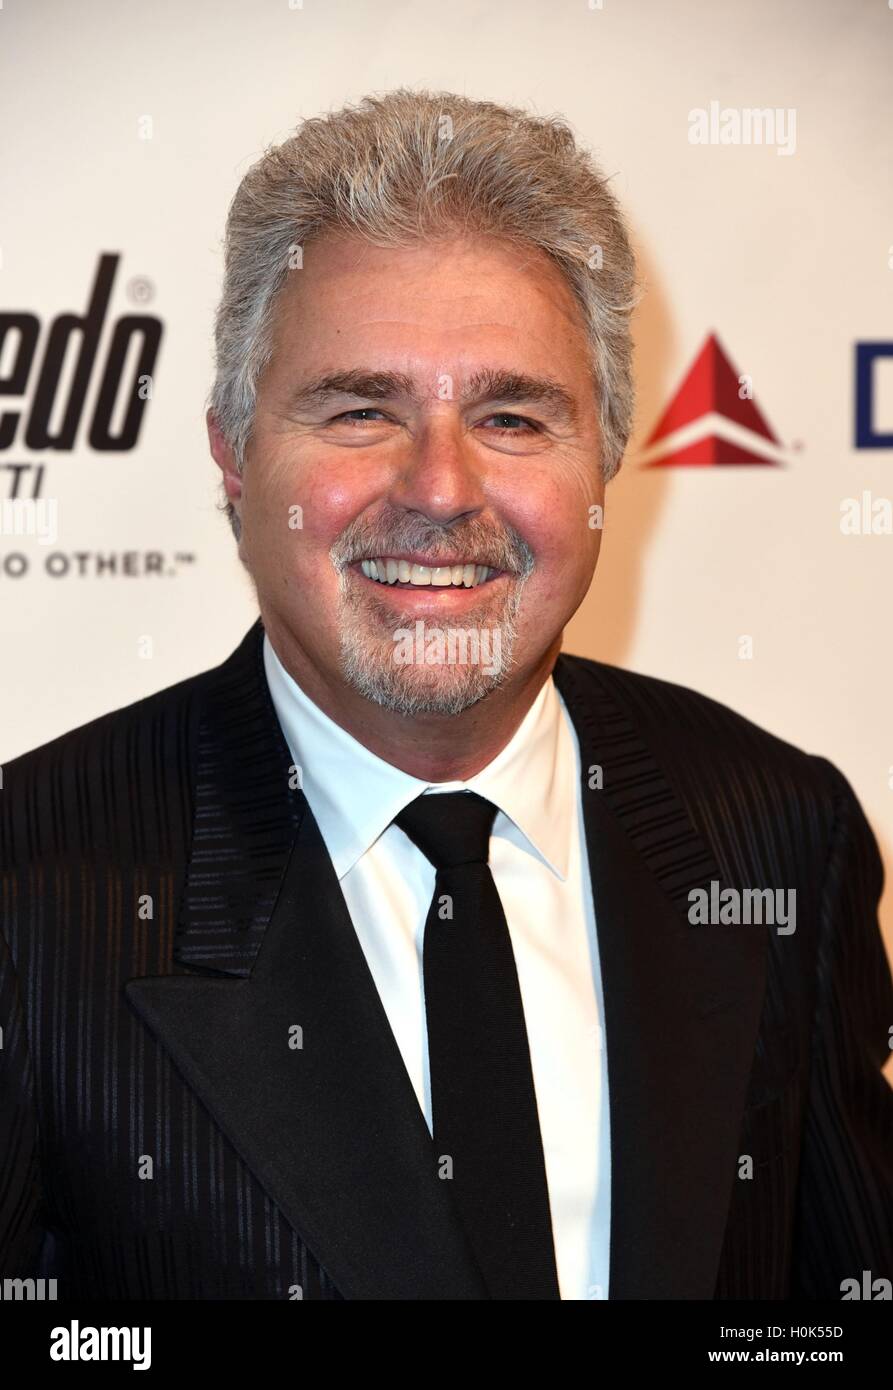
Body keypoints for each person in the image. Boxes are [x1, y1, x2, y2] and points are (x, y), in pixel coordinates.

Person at [1, 89, 890, 1301]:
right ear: (230, 449)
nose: (438, 486)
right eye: (360, 408)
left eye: (512, 415)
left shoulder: (779, 831)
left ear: (603, 457)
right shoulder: (31, 886)